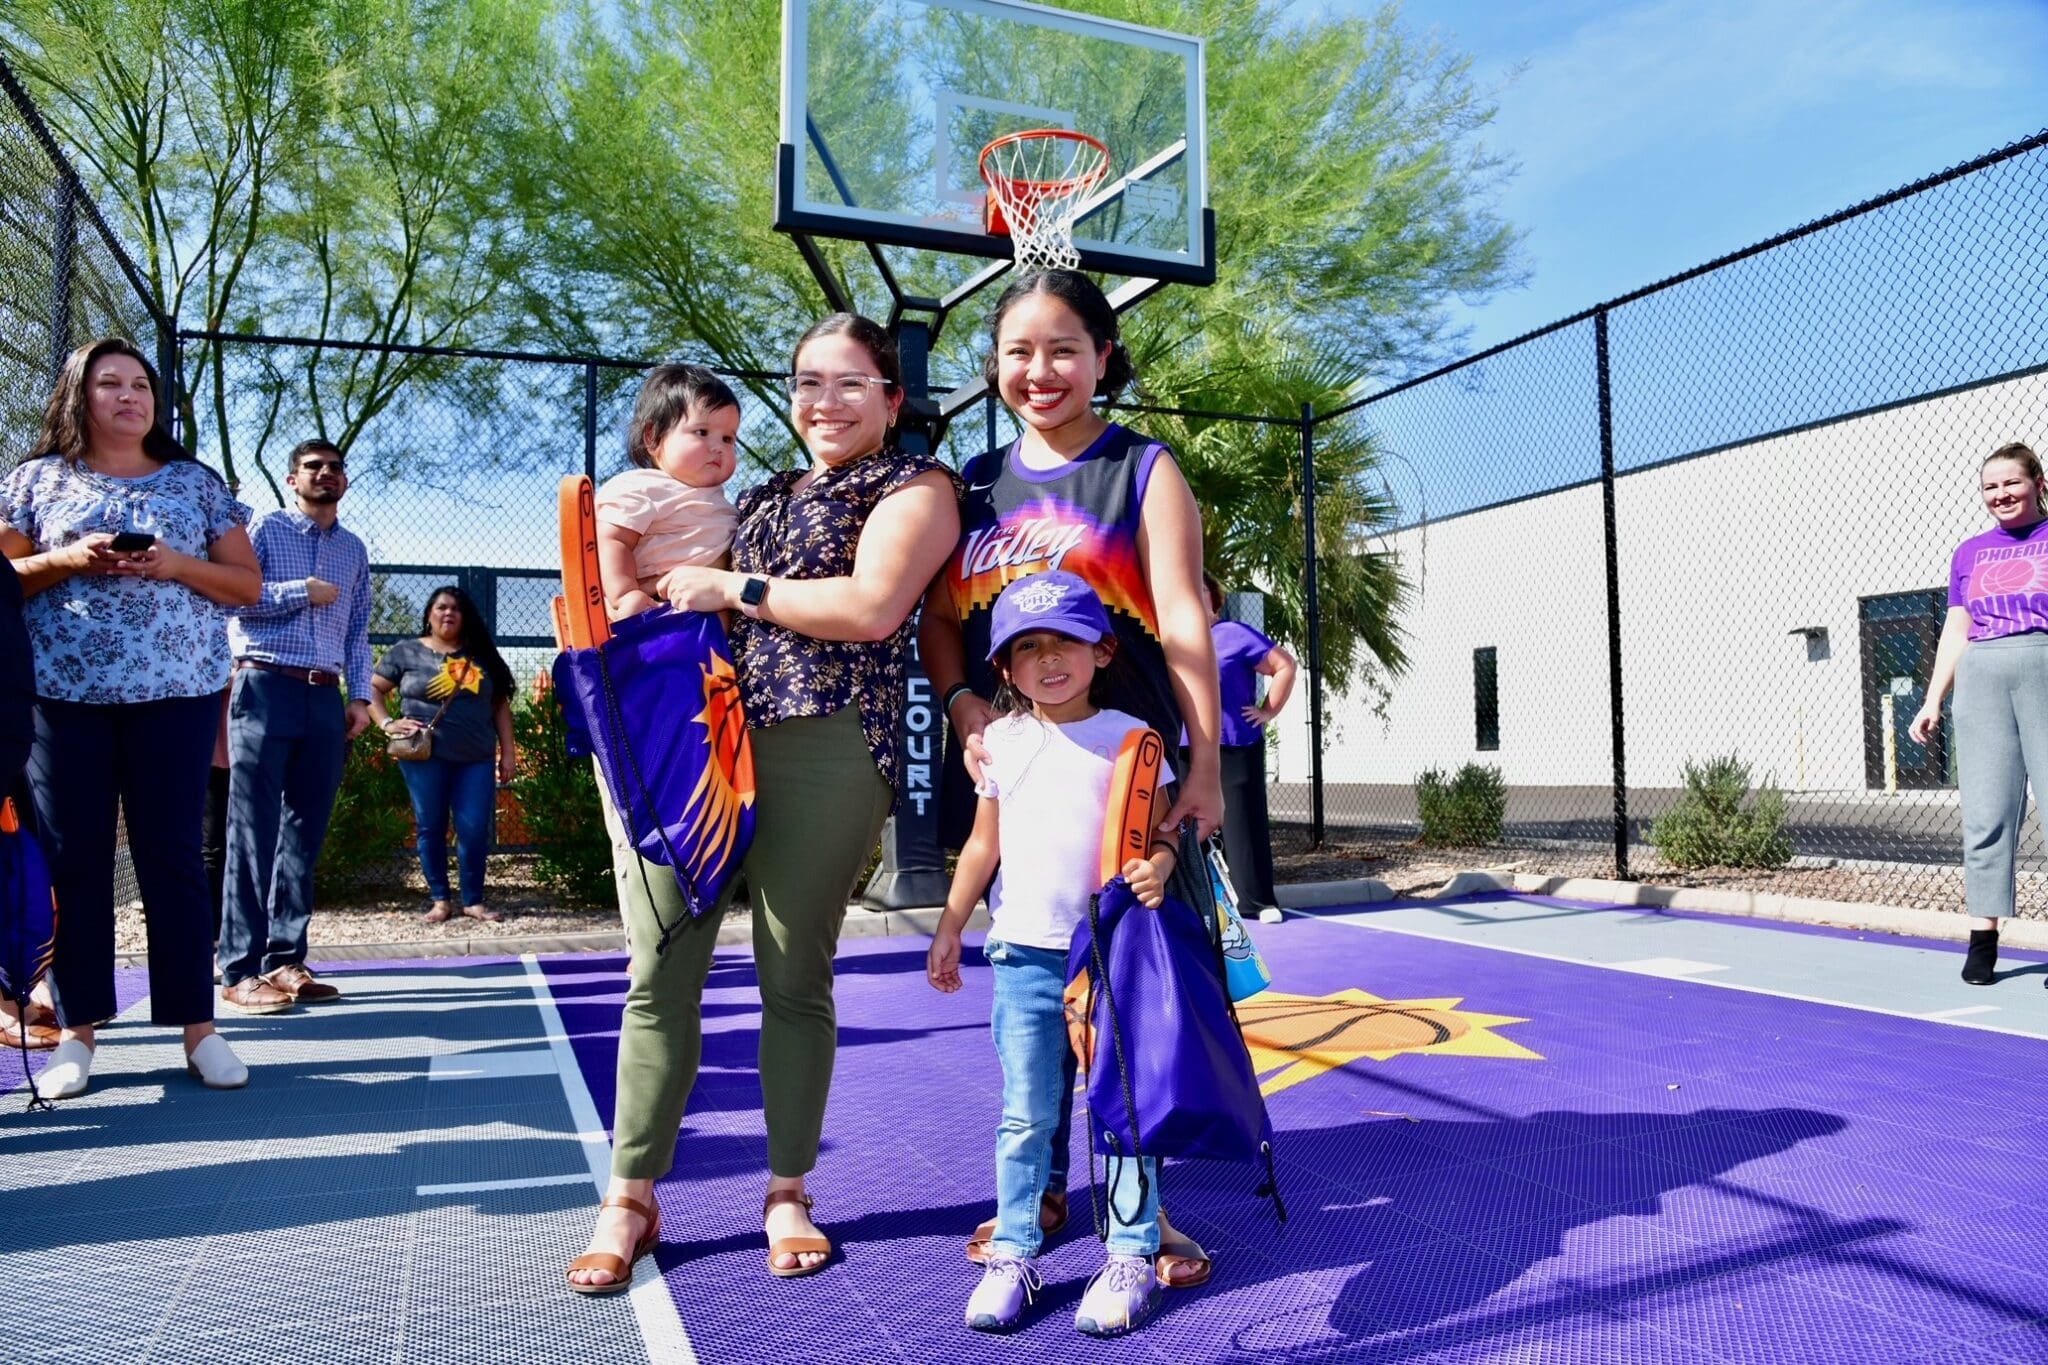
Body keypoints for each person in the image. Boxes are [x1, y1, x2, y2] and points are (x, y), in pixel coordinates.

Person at [566, 314, 960, 1293]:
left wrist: (730, 586)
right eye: (806, 382)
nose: (823, 401)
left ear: (890, 398)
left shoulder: (916, 489)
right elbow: (645, 572)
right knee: (658, 967)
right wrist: (602, 606)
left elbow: (869, 609)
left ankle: (787, 1191)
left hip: (828, 743)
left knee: (792, 976)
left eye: (848, 383)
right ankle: (628, 1194)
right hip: (699, 741)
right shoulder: (755, 493)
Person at [919, 267, 1220, 1287]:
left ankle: (1143, 1209)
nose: (1038, 370)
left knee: (1128, 998)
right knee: (1038, 996)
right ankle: (1044, 1188)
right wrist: (965, 703)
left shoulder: (1142, 468)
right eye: (1016, 351)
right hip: (1022, 760)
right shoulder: (967, 483)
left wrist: (1204, 762)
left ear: (1100, 356)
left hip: (1125, 775)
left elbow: (1183, 619)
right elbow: (940, 620)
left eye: (1061, 349)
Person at [0, 336, 261, 1096]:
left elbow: (245, 584)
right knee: (75, 859)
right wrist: (68, 560)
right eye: (109, 383)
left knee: (172, 857)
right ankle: (76, 1035)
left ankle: (198, 1030)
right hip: (61, 698)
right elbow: (1, 578)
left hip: (176, 697)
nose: (129, 396)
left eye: (140, 384)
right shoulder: (36, 481)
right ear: (78, 396)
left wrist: (175, 563)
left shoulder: (194, 485)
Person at [928, 571, 1178, 1338]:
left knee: (1124, 1112)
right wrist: (950, 923)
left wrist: (1159, 867)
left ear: (1102, 650)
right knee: (1026, 1115)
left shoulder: (1134, 740)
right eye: (1027, 648)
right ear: (1003, 669)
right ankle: (1014, 1252)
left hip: (1114, 957)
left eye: (1065, 640)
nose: (1049, 659)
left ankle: (1131, 1254)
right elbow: (983, 843)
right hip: (1024, 960)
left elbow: (1165, 833)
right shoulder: (1001, 741)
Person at [215, 438, 375, 1013]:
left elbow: (358, 630)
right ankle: (238, 968)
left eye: (334, 468)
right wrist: (297, 593)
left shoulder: (354, 549)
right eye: (313, 467)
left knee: (304, 835)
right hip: (263, 685)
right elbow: (231, 600)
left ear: (345, 480)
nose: (325, 475)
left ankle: (285, 961)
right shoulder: (263, 532)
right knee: (251, 830)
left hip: (324, 697)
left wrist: (359, 697)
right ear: (292, 479)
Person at [1910, 441, 2048, 985]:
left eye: (2011, 483)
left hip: (2043, 662)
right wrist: (1933, 697)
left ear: (2038, 482)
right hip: (1982, 675)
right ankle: (1983, 938)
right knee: (1986, 813)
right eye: (1990, 487)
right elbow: (1957, 627)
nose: (2001, 495)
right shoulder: (1969, 552)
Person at [372, 586, 517, 924]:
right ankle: (440, 900)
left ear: (465, 617)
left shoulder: (482, 656)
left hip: (476, 758)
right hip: (424, 757)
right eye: (441, 607)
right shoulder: (405, 653)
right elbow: (373, 689)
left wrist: (507, 753)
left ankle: (473, 901)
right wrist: (388, 723)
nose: (448, 613)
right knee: (430, 826)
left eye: (456, 608)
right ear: (429, 614)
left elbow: (500, 708)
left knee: (473, 827)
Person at [594, 363, 739, 620]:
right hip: (658, 611)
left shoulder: (722, 501)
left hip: (712, 616)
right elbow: (612, 540)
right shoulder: (642, 487)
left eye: (728, 438)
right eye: (702, 432)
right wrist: (625, 594)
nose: (718, 447)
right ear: (653, 436)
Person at [1203, 572, 1297, 911]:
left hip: (1235, 743)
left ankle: (1257, 903)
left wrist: (1267, 712)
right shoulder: (1166, 638)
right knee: (1186, 828)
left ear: (1214, 600)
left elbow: (1284, 665)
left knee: (1244, 824)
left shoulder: (1234, 633)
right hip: (1183, 747)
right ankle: (1200, 903)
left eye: (1200, 589)